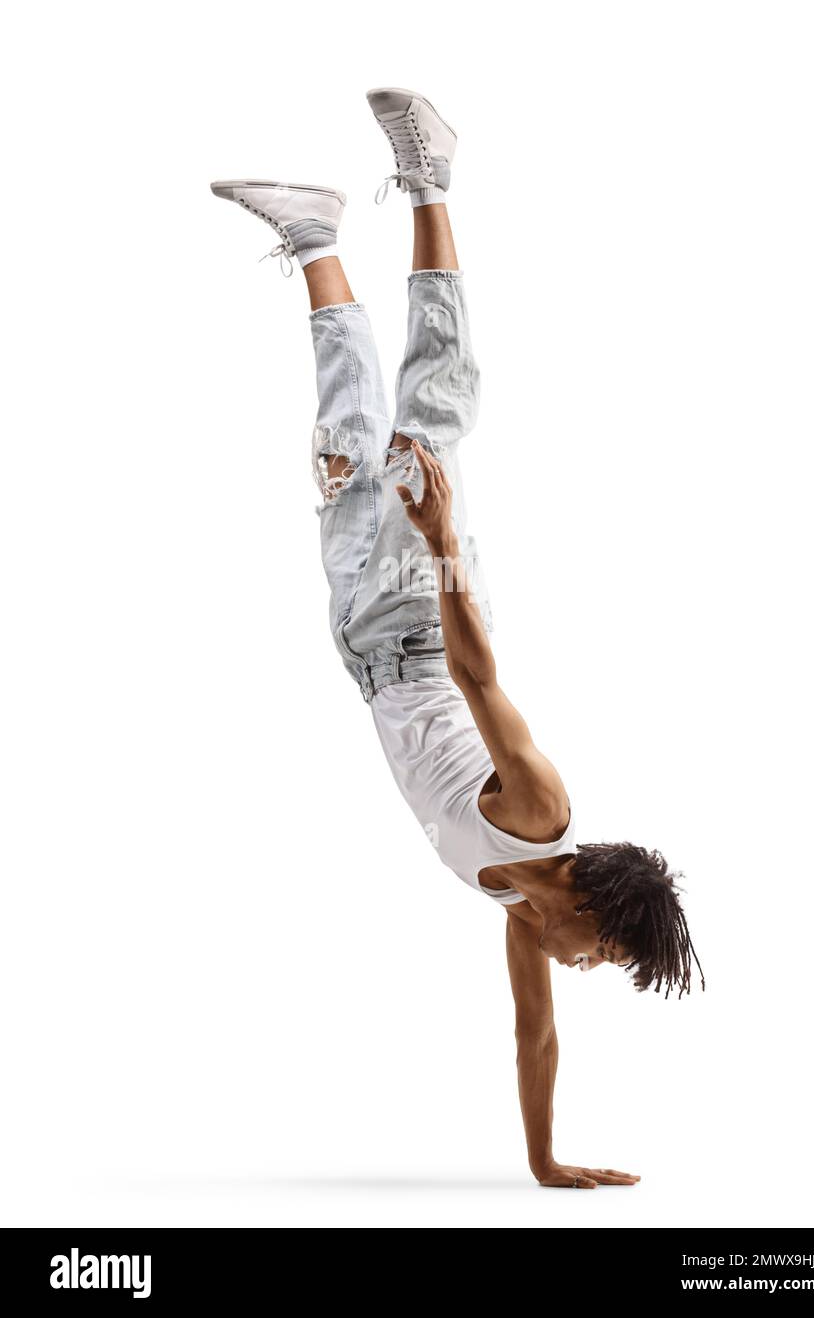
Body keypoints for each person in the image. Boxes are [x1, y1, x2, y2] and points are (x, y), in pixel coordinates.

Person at [211, 87, 704, 1189]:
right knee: (427, 413)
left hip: (360, 642)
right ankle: (431, 175)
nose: (586, 969)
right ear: (595, 911)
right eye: (608, 956)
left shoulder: (524, 913)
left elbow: (533, 1040)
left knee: (342, 447)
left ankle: (313, 234)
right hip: (417, 620)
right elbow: (477, 669)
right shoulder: (539, 810)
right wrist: (438, 542)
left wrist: (545, 1165)